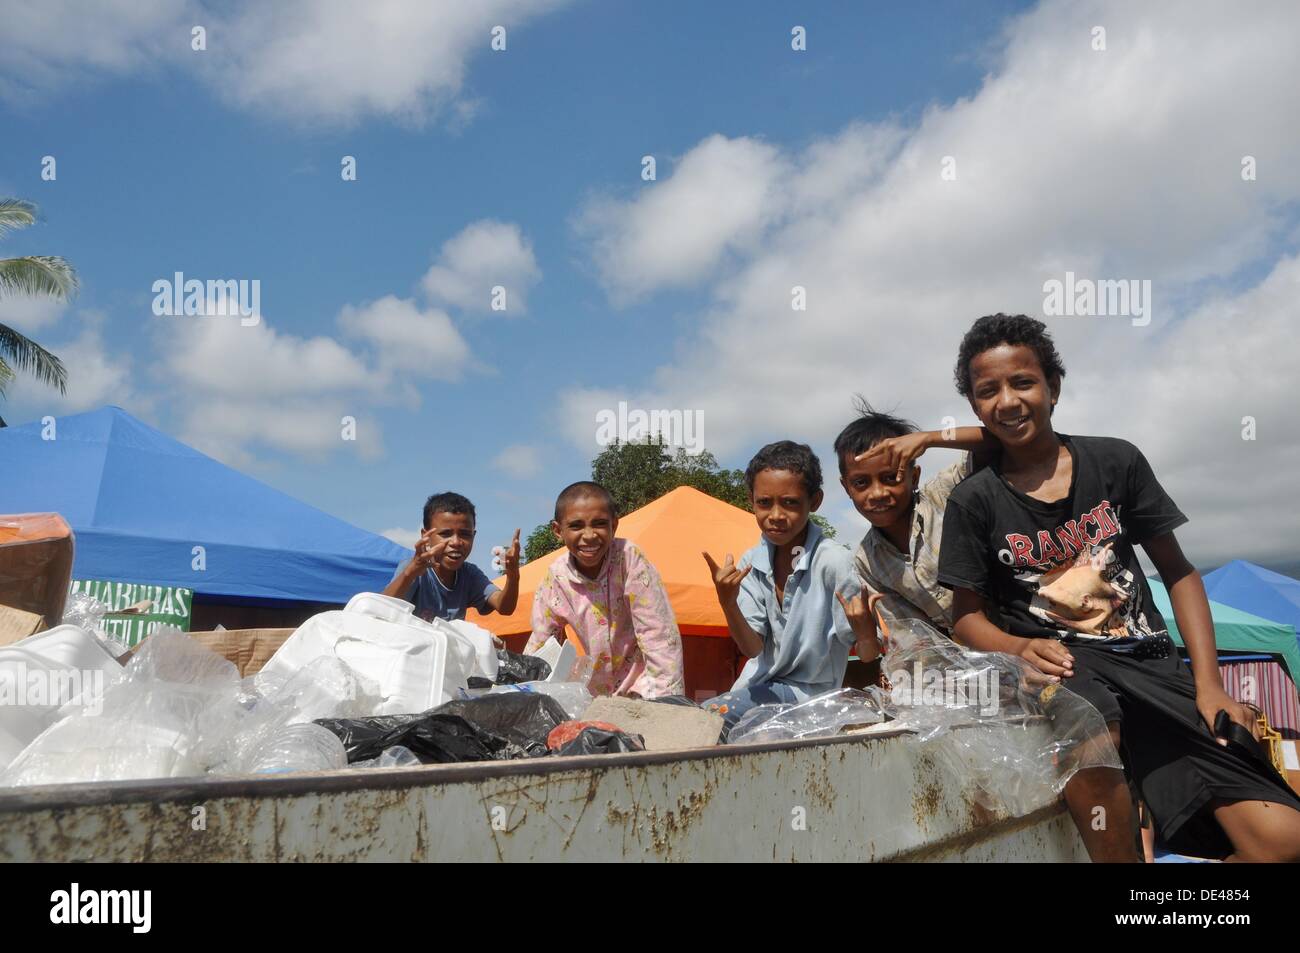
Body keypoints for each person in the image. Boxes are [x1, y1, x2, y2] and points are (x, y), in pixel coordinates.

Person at [937, 313, 1300, 862]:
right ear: (974, 406)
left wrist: (1210, 685)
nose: (1007, 401)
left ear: (1053, 388)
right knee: (1091, 719)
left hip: (1152, 665)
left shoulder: (1116, 461)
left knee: (1281, 845)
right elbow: (964, 617)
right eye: (988, 391)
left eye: (1023, 382)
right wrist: (1017, 648)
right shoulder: (975, 501)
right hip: (1065, 669)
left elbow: (1179, 573)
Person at [703, 440, 879, 731]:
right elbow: (752, 648)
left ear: (816, 501)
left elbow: (869, 655)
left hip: (809, 698)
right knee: (696, 720)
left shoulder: (835, 563)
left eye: (790, 503)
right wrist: (728, 603)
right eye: (764, 503)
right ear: (751, 500)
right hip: (756, 690)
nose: (775, 516)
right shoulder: (752, 561)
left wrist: (864, 632)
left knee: (710, 718)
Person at [834, 397, 995, 638]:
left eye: (891, 477)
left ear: (915, 476)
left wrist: (930, 438)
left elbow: (997, 441)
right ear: (846, 487)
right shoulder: (867, 562)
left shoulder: (944, 492)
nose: (877, 493)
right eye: (861, 483)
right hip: (968, 657)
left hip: (1019, 626)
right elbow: (914, 635)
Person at [524, 481, 685, 698]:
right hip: (595, 694)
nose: (589, 535)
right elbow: (540, 644)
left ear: (614, 525)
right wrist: (522, 691)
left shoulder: (629, 559)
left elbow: (658, 635)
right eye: (576, 526)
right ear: (557, 530)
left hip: (645, 685)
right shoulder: (556, 579)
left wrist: (668, 701)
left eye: (599, 524)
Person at [383, 491, 519, 623]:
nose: (456, 542)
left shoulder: (470, 575)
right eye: (446, 534)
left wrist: (513, 577)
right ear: (426, 536)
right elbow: (381, 608)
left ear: (474, 535)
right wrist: (410, 572)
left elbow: (504, 607)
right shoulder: (413, 569)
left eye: (465, 534)